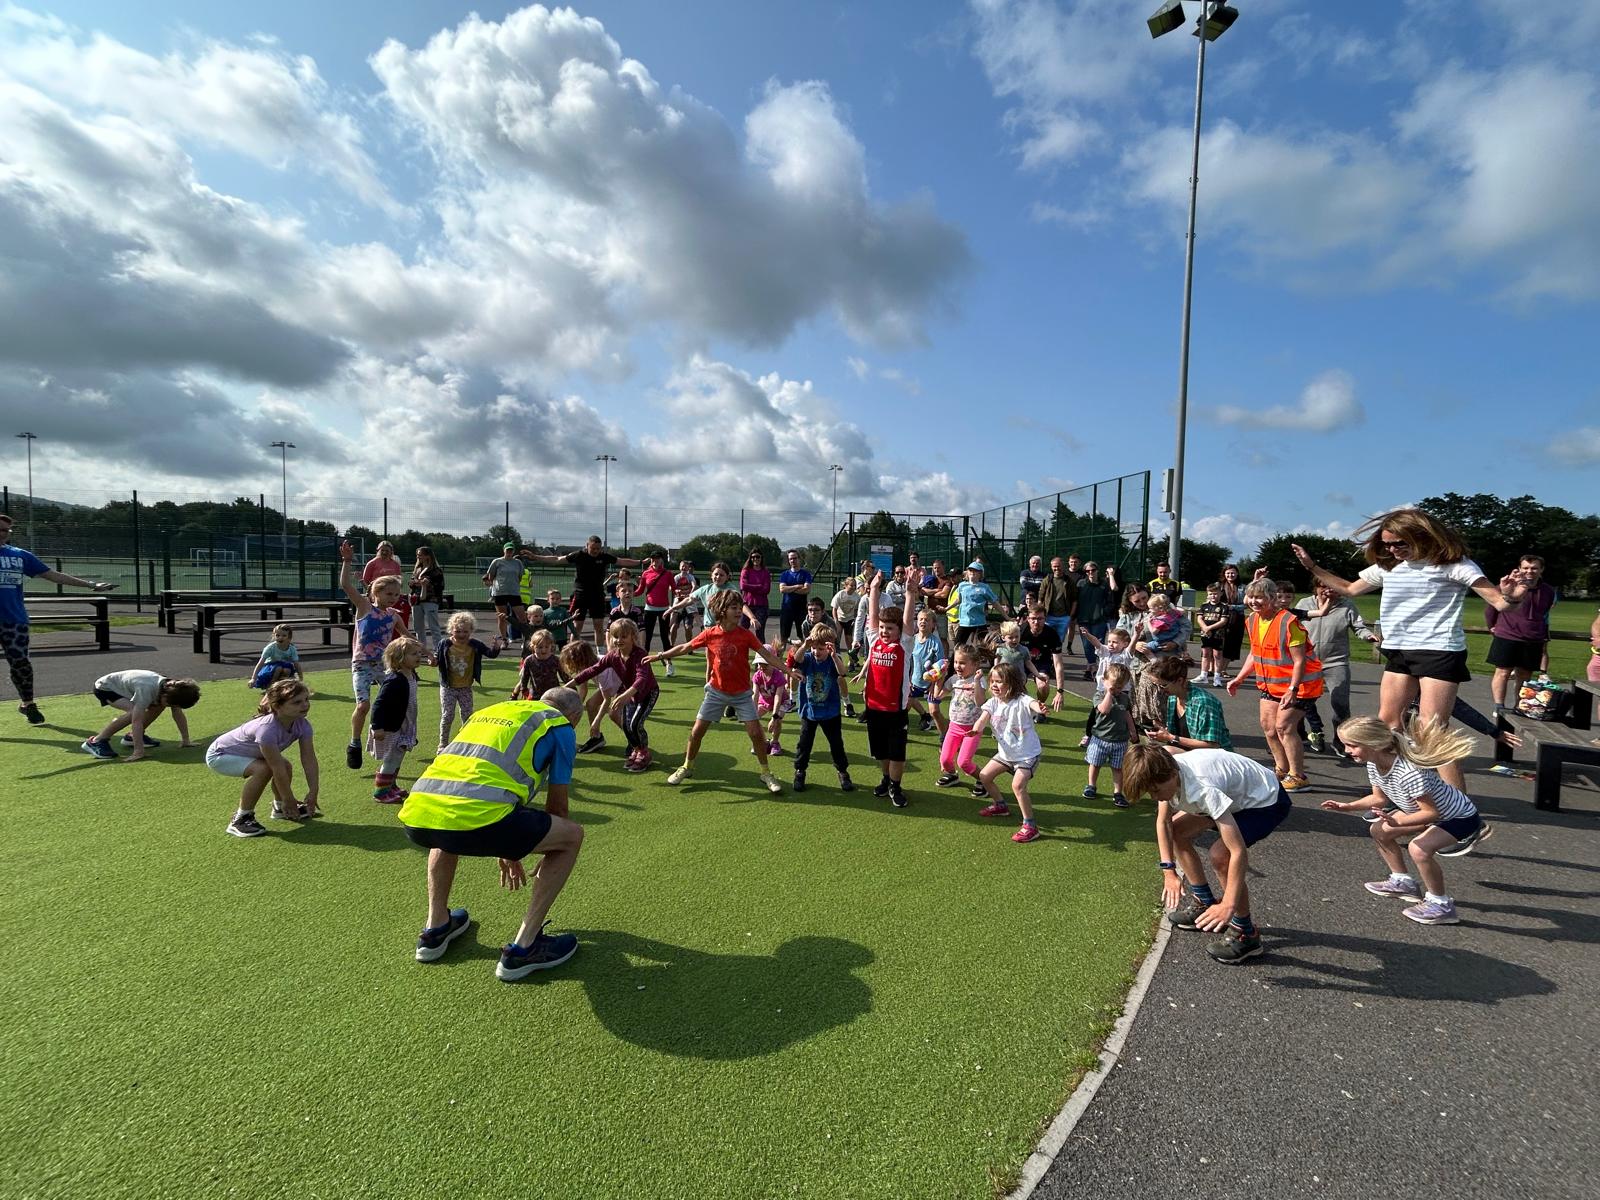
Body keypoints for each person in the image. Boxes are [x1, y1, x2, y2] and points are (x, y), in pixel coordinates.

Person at [1291, 507, 1529, 791]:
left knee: (1431, 731)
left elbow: (1500, 603)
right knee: (1386, 725)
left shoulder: (1455, 564)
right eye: (1387, 544)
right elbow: (1350, 588)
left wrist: (1512, 598)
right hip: (1399, 650)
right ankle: (1388, 794)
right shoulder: (1387, 567)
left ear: (1421, 536)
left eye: (1399, 543)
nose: (1392, 550)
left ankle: (1459, 809)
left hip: (1439, 650)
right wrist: (1312, 567)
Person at [399, 691, 587, 980]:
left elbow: (482, 777)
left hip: (418, 812)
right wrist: (537, 846)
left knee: (447, 823)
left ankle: (436, 928)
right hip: (483, 818)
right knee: (572, 836)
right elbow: (558, 807)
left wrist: (510, 845)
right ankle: (525, 947)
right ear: (574, 718)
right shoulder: (560, 725)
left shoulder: (494, 711)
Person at [1123, 744, 1293, 965]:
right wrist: (1168, 871)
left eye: (1156, 790)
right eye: (1150, 792)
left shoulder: (1203, 789)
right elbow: (1164, 822)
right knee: (1177, 831)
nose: (1156, 796)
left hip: (1265, 801)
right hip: (1234, 795)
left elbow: (1237, 850)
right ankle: (1204, 901)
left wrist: (1228, 904)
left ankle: (1245, 932)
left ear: (1173, 774)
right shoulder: (1163, 759)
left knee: (1220, 855)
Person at [1321, 717, 1485, 926]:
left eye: (1352, 745)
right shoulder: (1374, 763)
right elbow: (1379, 798)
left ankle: (1441, 905)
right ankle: (1403, 882)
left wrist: (1399, 823)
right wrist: (1347, 806)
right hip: (1421, 812)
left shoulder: (1409, 773)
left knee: (1419, 849)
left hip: (1459, 817)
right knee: (1379, 831)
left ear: (1375, 745)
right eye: (1345, 744)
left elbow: (1431, 813)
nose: (1346, 750)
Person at [647, 590, 786, 793]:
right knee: (696, 733)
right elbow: (685, 647)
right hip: (716, 692)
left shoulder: (745, 635)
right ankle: (687, 767)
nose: (739, 611)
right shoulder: (710, 633)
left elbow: (766, 654)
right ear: (722, 610)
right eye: (734, 608)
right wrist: (660, 655)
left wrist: (788, 670)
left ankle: (766, 773)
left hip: (742, 694)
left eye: (740, 607)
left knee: (756, 734)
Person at [0, 510, 118, 726]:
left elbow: (51, 575)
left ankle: (28, 704)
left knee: (21, 664)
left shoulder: (19, 555)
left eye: (6, 530)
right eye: (0, 529)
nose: (3, 534)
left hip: (14, 620)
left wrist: (90, 585)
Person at [1226, 578, 1323, 792]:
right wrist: (1239, 678)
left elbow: (1300, 660)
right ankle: (1281, 769)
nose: (1254, 601)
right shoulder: (1252, 621)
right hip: (1271, 685)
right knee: (1269, 729)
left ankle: (1298, 776)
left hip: (1301, 686)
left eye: (1259, 597)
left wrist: (1293, 689)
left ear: (1272, 598)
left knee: (1284, 727)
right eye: (1251, 597)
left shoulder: (1289, 622)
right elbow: (1255, 652)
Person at [208, 678, 320, 837]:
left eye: (306, 699)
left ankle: (280, 808)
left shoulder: (303, 724)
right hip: (220, 755)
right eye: (296, 702)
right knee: (266, 769)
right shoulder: (266, 729)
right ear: (277, 706)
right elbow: (276, 768)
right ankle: (241, 819)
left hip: (246, 755)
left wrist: (313, 791)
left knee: (286, 765)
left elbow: (309, 760)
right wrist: (289, 798)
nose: (305, 705)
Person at [339, 540, 409, 770]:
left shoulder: (393, 615)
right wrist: (347, 561)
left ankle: (394, 737)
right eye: (389, 594)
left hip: (382, 665)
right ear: (376, 592)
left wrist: (430, 653)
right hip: (361, 664)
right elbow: (346, 585)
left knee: (395, 698)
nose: (393, 598)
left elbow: (407, 638)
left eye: (397, 595)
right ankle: (354, 743)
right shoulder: (364, 607)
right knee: (363, 706)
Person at [1292, 580, 1380, 757]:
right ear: (1316, 588)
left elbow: (1359, 627)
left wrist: (1368, 636)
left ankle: (1340, 741)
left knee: (1340, 704)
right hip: (1308, 662)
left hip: (1335, 662)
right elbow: (1291, 625)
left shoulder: (1347, 606)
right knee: (1299, 702)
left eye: (1331, 586)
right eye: (1323, 586)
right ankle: (1299, 733)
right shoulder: (1304, 604)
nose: (1327, 590)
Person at [856, 568, 918, 808]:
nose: (884, 631)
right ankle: (886, 779)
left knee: (897, 753)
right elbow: (873, 615)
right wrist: (873, 589)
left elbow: (908, 620)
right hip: (873, 707)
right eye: (882, 627)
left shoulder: (904, 644)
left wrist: (911, 593)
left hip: (896, 710)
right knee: (881, 752)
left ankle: (896, 785)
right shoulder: (874, 641)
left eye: (890, 628)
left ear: (899, 631)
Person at [567, 617, 659, 772]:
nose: (619, 640)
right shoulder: (613, 656)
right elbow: (593, 670)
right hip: (628, 694)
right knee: (625, 724)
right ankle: (637, 750)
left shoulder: (640, 654)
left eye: (624, 636)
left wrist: (625, 695)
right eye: (616, 636)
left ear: (633, 637)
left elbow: (642, 679)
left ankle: (644, 753)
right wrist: (569, 685)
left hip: (647, 693)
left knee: (635, 724)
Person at [971, 662, 1048, 842]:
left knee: (1017, 785)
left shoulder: (1021, 699)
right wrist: (976, 729)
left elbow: (1034, 704)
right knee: (984, 776)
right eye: (992, 681)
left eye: (999, 681)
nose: (994, 685)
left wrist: (1041, 708)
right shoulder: (992, 703)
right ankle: (1000, 805)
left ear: (1011, 683)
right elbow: (982, 719)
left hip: (1027, 754)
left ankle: (1030, 826)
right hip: (1006, 755)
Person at [523, 537, 641, 645]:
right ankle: (571, 652)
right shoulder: (579, 555)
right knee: (576, 627)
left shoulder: (604, 557)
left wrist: (640, 562)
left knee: (599, 627)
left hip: (597, 595)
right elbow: (557, 559)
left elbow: (621, 561)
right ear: (587, 546)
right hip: (580, 595)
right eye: (593, 548)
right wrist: (536, 557)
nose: (595, 551)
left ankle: (600, 653)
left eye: (598, 549)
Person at [1485, 554, 1557, 715]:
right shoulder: (1507, 586)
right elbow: (1491, 609)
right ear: (1519, 569)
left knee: (1525, 676)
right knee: (1502, 672)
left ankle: (1520, 706)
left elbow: (1544, 614)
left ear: (1541, 570)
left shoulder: (1548, 591)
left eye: (1534, 568)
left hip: (1533, 639)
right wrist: (1492, 627)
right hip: (1507, 635)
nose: (1529, 571)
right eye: (1525, 568)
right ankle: (1499, 706)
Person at [788, 626, 855, 794]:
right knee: (804, 744)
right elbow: (796, 661)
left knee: (836, 744)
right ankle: (800, 771)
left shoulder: (833, 659)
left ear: (829, 647)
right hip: (809, 711)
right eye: (814, 648)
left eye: (821, 648)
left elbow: (842, 673)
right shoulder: (808, 658)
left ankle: (843, 772)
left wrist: (834, 656)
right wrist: (804, 646)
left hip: (830, 712)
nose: (817, 652)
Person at [81, 670, 200, 761]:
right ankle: (97, 741)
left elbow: (178, 714)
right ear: (165, 695)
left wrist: (186, 740)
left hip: (127, 687)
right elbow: (136, 721)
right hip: (105, 688)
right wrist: (138, 751)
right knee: (133, 712)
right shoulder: (146, 690)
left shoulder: (174, 689)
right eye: (170, 704)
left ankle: (132, 737)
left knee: (159, 705)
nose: (171, 706)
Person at [1141, 652, 1234, 753]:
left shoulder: (1204, 703)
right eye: (1156, 685)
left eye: (1163, 685)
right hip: (1192, 753)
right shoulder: (1173, 698)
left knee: (1166, 752)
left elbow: (1212, 745)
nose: (1159, 690)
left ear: (1180, 680)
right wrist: (1163, 731)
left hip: (1214, 757)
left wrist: (1171, 737)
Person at [435, 611, 500, 752]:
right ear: (451, 630)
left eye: (465, 631)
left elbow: (491, 654)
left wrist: (496, 646)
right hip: (448, 687)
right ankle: (443, 744)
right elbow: (437, 659)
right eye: (457, 631)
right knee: (447, 715)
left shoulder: (475, 644)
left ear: (471, 631)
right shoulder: (444, 644)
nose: (462, 635)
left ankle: (466, 741)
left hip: (465, 687)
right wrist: (432, 660)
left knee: (467, 715)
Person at [934, 644, 988, 790]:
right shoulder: (953, 679)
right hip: (954, 727)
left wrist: (976, 682)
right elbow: (938, 696)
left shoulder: (979, 681)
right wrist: (939, 678)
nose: (958, 666)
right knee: (945, 760)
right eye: (956, 662)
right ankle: (952, 775)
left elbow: (980, 702)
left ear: (975, 664)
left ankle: (983, 779)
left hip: (972, 729)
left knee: (964, 762)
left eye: (962, 663)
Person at [1083, 662, 1137, 807]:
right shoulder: (1099, 695)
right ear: (1104, 681)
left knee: (1118, 767)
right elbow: (1104, 710)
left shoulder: (1125, 698)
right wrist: (1109, 693)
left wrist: (1133, 731)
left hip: (1120, 741)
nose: (1117, 690)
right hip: (1100, 739)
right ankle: (1091, 786)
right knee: (1095, 764)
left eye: (1120, 687)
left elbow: (1127, 715)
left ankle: (1118, 792)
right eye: (1113, 686)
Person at [479, 543, 527, 650]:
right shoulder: (497, 562)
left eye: (511, 550)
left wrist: (512, 585)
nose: (509, 552)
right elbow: (491, 576)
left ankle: (526, 640)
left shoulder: (517, 563)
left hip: (514, 592)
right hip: (500, 592)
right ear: (504, 551)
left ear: (513, 551)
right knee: (502, 617)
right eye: (507, 550)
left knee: (522, 617)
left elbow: (519, 576)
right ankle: (505, 640)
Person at [1073, 560, 1115, 681]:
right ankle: (1092, 666)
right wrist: (1075, 616)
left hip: (1099, 621)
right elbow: (1075, 600)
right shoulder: (1080, 584)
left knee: (1098, 646)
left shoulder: (1104, 584)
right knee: (1087, 646)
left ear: (1097, 571)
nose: (1090, 573)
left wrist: (1103, 613)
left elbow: (1110, 601)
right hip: (1083, 620)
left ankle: (1096, 671)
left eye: (1093, 570)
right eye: (1088, 571)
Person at [909, 608, 948, 734]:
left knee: (935, 711)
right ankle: (900, 734)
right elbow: (907, 662)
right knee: (905, 706)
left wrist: (933, 686)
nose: (923, 622)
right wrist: (908, 681)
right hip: (914, 682)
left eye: (927, 620)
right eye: (920, 619)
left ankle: (944, 737)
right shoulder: (912, 640)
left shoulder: (935, 643)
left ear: (933, 624)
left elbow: (941, 667)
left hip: (931, 685)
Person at [752, 640, 791, 758]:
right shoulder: (757, 676)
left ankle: (774, 742)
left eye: (765, 664)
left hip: (781, 702)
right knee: (754, 720)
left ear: (773, 663)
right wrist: (752, 715)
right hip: (765, 701)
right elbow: (755, 695)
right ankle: (762, 742)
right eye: (759, 664)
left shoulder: (778, 676)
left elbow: (778, 698)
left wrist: (774, 717)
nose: (761, 667)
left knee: (778, 720)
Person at [952, 561, 1005, 647]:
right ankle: (953, 660)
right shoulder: (962, 586)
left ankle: (991, 660)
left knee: (986, 646)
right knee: (957, 646)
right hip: (965, 622)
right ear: (967, 572)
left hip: (979, 622)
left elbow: (995, 603)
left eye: (975, 570)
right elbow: (958, 600)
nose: (972, 572)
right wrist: (946, 608)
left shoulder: (984, 588)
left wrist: (1006, 616)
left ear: (980, 574)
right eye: (970, 570)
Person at [638, 552, 676, 660]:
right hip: (649, 608)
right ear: (650, 560)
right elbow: (640, 590)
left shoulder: (668, 574)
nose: (655, 561)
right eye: (653, 559)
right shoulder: (645, 573)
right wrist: (628, 593)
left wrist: (678, 591)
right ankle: (644, 661)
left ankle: (669, 663)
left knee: (664, 636)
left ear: (661, 560)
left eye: (658, 559)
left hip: (664, 609)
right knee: (647, 636)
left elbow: (674, 588)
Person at [1036, 556, 1078, 649]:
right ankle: (1048, 658)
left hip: (1064, 617)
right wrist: (1039, 614)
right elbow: (1040, 598)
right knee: (1046, 638)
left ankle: (1056, 659)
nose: (1056, 568)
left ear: (1063, 566)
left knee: (1059, 641)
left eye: (1058, 566)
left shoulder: (1069, 581)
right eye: (1054, 566)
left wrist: (1070, 616)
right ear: (1051, 567)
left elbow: (1075, 600)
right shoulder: (1047, 579)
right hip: (1049, 615)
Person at [512, 628, 563, 702]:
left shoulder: (555, 660)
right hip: (535, 696)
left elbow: (564, 676)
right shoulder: (529, 660)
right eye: (540, 647)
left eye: (546, 647)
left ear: (551, 646)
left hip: (553, 695)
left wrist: (572, 688)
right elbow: (524, 677)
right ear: (533, 647)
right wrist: (524, 690)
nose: (543, 650)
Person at [1194, 584, 1230, 686]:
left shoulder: (1224, 607)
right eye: (1211, 594)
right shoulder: (1204, 606)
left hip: (1218, 634)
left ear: (1220, 594)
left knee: (1217, 655)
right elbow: (1199, 618)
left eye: (1215, 594)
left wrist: (1209, 628)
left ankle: (1217, 677)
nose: (1213, 596)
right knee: (1205, 654)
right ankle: (1203, 675)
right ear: (1207, 594)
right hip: (1205, 634)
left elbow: (1223, 621)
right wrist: (1205, 628)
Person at [410, 546, 446, 644]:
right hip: (417, 600)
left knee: (433, 626)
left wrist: (428, 584)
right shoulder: (417, 569)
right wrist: (413, 583)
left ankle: (437, 650)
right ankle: (422, 649)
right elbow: (411, 583)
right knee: (418, 627)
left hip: (431, 601)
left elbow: (441, 587)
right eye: (417, 555)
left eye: (420, 555)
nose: (418, 557)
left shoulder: (436, 570)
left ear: (428, 556)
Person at [248, 623, 302, 689]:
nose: (280, 637)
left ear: (289, 638)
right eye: (277, 635)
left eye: (284, 635)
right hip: (270, 667)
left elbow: (296, 664)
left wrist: (301, 678)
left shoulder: (292, 648)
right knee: (278, 668)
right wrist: (253, 678)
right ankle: (271, 686)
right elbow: (260, 663)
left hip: (284, 666)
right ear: (274, 636)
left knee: (287, 670)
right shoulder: (270, 648)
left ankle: (282, 686)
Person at [1216, 565, 1247, 680]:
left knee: (1232, 645)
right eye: (1228, 573)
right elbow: (1212, 599)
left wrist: (1231, 607)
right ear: (1224, 574)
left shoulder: (1243, 587)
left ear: (1237, 574)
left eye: (1233, 573)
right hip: (1220, 618)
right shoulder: (1219, 586)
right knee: (1218, 644)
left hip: (1237, 619)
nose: (1230, 575)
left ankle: (1223, 669)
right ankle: (1213, 669)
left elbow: (1246, 605)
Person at [777, 550, 813, 644]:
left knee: (804, 636)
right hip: (787, 609)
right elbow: (782, 589)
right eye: (790, 559)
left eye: (795, 558)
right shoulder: (785, 574)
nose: (793, 560)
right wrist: (797, 586)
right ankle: (780, 658)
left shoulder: (806, 574)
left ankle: (805, 656)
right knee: (783, 638)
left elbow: (806, 590)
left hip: (801, 609)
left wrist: (789, 589)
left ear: (799, 559)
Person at [739, 549, 774, 641]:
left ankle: (761, 654)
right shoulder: (746, 571)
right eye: (753, 557)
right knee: (742, 629)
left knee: (760, 631)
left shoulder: (765, 572)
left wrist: (750, 587)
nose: (755, 559)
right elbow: (743, 586)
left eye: (757, 556)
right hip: (747, 605)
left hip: (761, 606)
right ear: (750, 558)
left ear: (761, 558)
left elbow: (766, 590)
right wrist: (759, 586)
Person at [830, 575, 862, 662]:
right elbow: (834, 609)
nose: (853, 587)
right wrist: (836, 620)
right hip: (840, 619)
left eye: (854, 585)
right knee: (837, 638)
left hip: (850, 620)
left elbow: (856, 610)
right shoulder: (840, 594)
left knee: (849, 640)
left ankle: (851, 660)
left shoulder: (857, 597)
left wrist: (855, 620)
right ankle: (836, 658)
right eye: (851, 585)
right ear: (846, 585)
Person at [668, 560, 699, 648]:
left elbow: (694, 585)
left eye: (686, 566)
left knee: (688, 627)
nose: (684, 568)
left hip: (688, 605)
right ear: (679, 567)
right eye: (682, 566)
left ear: (688, 568)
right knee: (674, 626)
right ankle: (671, 645)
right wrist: (676, 590)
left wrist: (691, 593)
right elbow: (671, 587)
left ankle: (689, 647)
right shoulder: (676, 577)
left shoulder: (691, 577)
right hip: (678, 603)